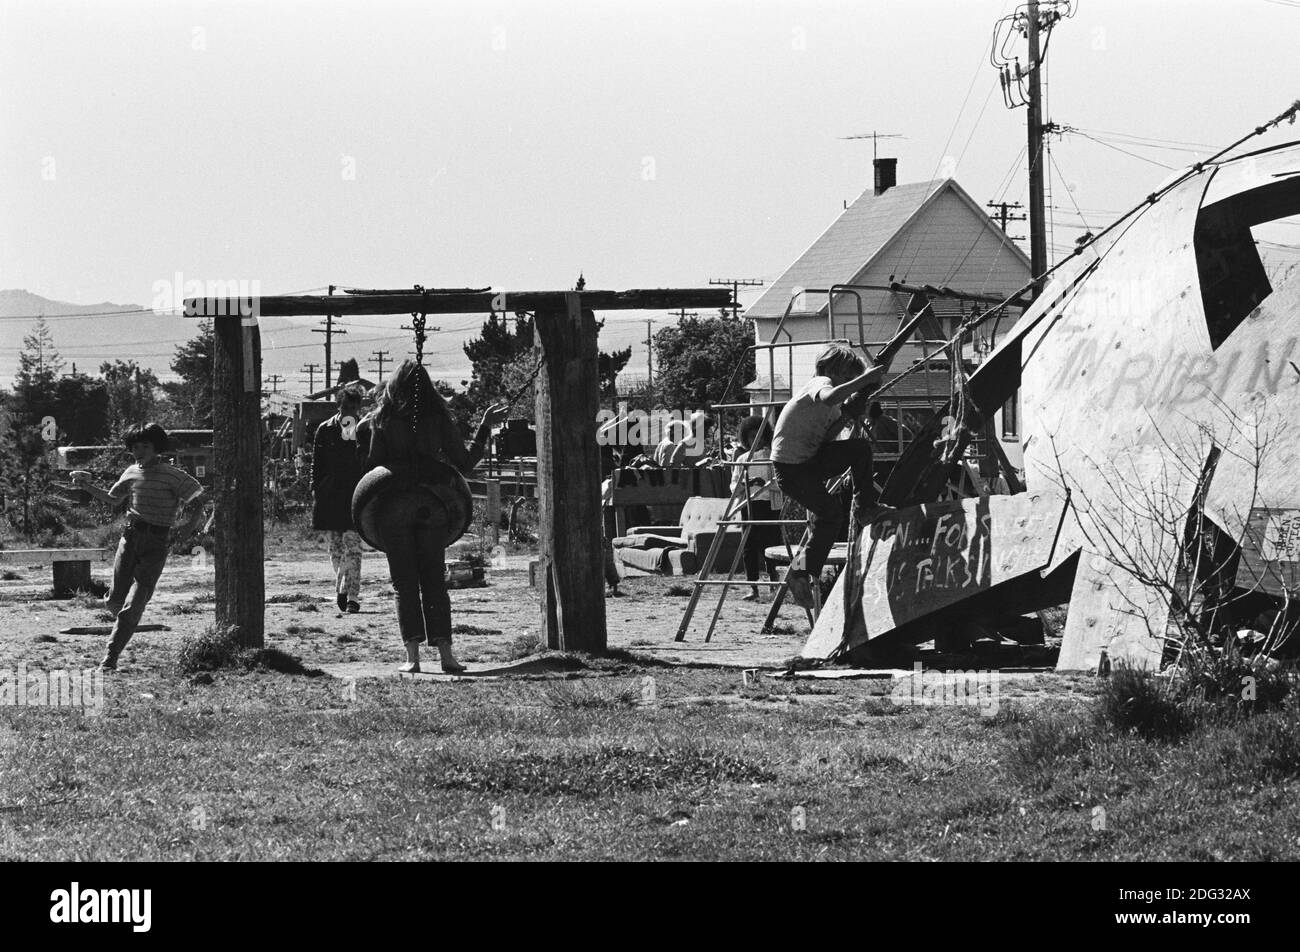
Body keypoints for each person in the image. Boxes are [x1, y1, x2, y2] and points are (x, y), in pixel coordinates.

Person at [364, 361, 507, 674]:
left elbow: (374, 467)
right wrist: (484, 426)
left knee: (404, 583)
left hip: (393, 507)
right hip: (432, 504)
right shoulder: (439, 418)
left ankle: (412, 658)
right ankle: (446, 657)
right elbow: (465, 462)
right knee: (434, 582)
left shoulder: (383, 418)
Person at [73, 422, 205, 671]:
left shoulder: (172, 475)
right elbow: (113, 499)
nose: (140, 450)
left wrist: (187, 529)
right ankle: (123, 618)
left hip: (157, 542)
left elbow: (199, 502)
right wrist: (85, 486)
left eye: (145, 445)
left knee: (133, 605)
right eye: (135, 446)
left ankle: (110, 657)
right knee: (114, 603)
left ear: (157, 447)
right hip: (130, 538)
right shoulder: (131, 471)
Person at [770, 344, 884, 609]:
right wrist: (866, 379)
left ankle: (865, 508)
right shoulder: (819, 383)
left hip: (808, 461)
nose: (849, 384)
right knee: (830, 514)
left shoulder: (834, 402)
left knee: (859, 450)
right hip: (790, 468)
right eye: (847, 378)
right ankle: (799, 571)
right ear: (834, 370)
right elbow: (830, 396)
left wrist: (849, 417)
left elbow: (827, 436)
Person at [312, 384, 367, 613]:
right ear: (339, 406)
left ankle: (352, 595)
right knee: (335, 548)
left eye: (354, 408)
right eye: (346, 407)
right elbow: (317, 462)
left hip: (354, 496)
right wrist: (315, 488)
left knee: (353, 547)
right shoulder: (325, 429)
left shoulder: (363, 431)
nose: (350, 412)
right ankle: (342, 587)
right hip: (330, 497)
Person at [732, 416, 783, 601]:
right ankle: (752, 587)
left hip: (769, 505)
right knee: (749, 547)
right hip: (748, 505)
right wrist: (746, 483)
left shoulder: (773, 456)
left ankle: (773, 584)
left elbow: (782, 483)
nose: (756, 440)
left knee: (771, 546)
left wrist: (767, 484)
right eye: (752, 437)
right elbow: (733, 486)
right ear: (746, 438)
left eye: (760, 436)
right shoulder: (743, 459)